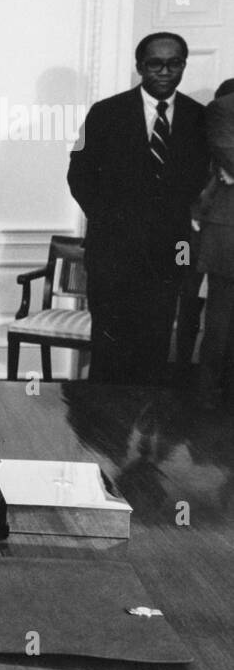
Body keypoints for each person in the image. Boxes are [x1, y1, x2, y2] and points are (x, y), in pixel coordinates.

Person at [68, 32, 210, 384]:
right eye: (155, 64)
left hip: (171, 253)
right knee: (109, 347)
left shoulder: (199, 118)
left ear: (183, 66)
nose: (165, 71)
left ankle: (147, 434)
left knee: (156, 347)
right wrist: (111, 222)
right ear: (139, 67)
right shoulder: (104, 113)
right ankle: (100, 437)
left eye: (174, 63)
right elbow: (78, 174)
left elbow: (202, 181)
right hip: (111, 252)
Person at [195, 79, 234, 403]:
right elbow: (228, 154)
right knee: (220, 324)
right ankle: (206, 408)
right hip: (228, 235)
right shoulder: (223, 108)